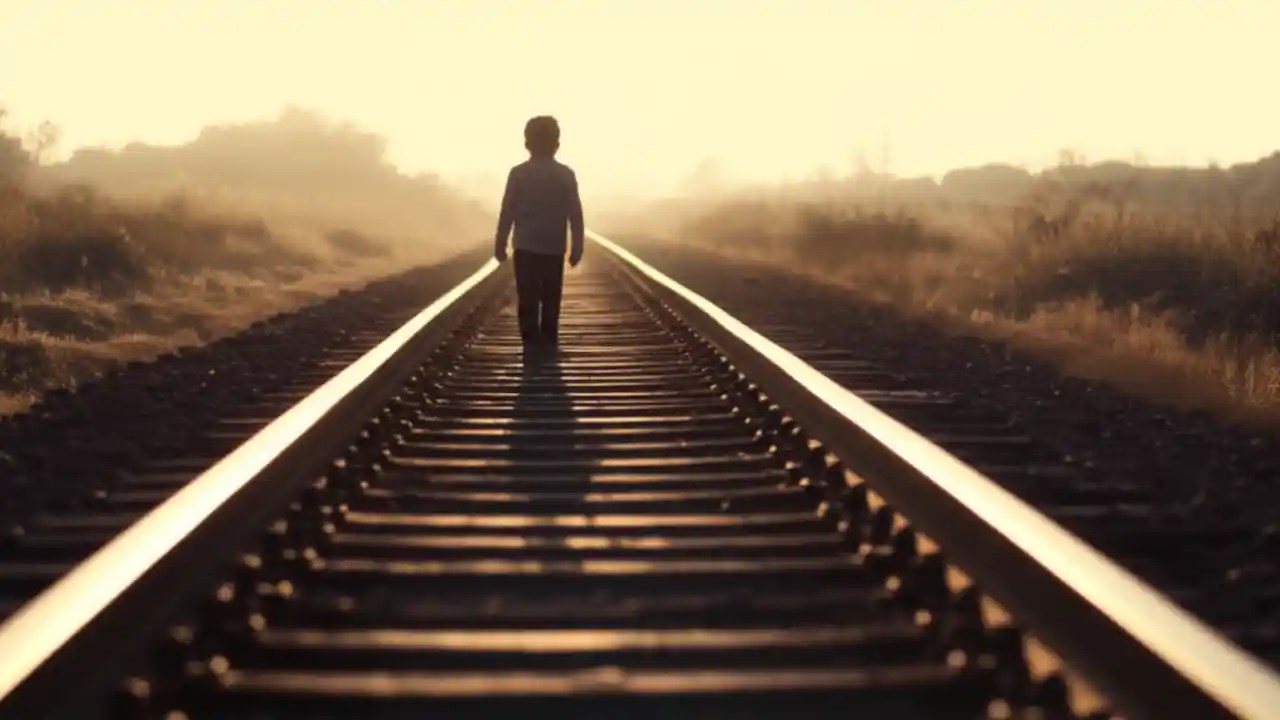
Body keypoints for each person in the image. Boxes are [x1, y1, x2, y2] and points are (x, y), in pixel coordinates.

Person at [494, 115, 585, 347]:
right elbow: (575, 213)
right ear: (557, 144)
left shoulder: (518, 174)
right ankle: (549, 338)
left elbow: (508, 210)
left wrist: (500, 242)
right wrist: (577, 246)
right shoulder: (565, 174)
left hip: (525, 246)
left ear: (527, 144)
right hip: (553, 247)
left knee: (527, 296)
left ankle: (530, 341)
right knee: (551, 296)